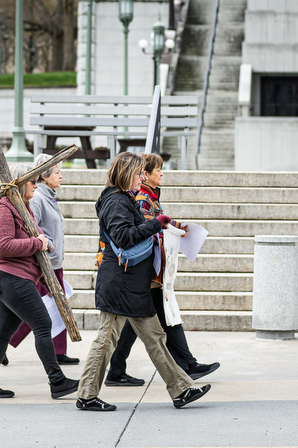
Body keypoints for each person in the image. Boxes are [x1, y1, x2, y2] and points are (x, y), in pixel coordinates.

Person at [76, 152, 210, 412]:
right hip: (120, 284)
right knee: (106, 340)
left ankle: (181, 389)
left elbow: (135, 230)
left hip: (132, 285)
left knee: (156, 337)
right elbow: (124, 237)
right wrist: (155, 225)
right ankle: (86, 395)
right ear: (126, 173)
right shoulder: (115, 201)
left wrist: (161, 225)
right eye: (138, 173)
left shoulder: (124, 199)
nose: (142, 177)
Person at [105, 153, 219, 387]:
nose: (162, 173)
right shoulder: (139, 198)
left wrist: (177, 227)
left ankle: (183, 365)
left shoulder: (149, 197)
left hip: (152, 267)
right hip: (147, 268)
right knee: (142, 323)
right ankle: (181, 369)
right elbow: (143, 230)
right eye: (158, 169)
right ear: (142, 174)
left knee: (152, 318)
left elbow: (158, 221)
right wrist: (169, 229)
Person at [0, 162, 80, 400]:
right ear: (19, 182)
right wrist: (38, 243)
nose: (36, 183)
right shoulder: (3, 208)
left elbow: (29, 243)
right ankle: (58, 381)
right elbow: (2, 246)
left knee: (3, 333)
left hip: (15, 278)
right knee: (43, 325)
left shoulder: (23, 207)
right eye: (32, 180)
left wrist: (44, 253)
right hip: (10, 277)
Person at [7, 153, 78, 365]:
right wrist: (46, 243)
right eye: (57, 172)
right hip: (42, 265)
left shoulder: (49, 196)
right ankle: (3, 341)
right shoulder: (38, 198)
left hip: (54, 263)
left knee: (56, 305)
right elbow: (30, 228)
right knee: (38, 311)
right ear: (44, 176)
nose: (61, 176)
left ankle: (59, 351)